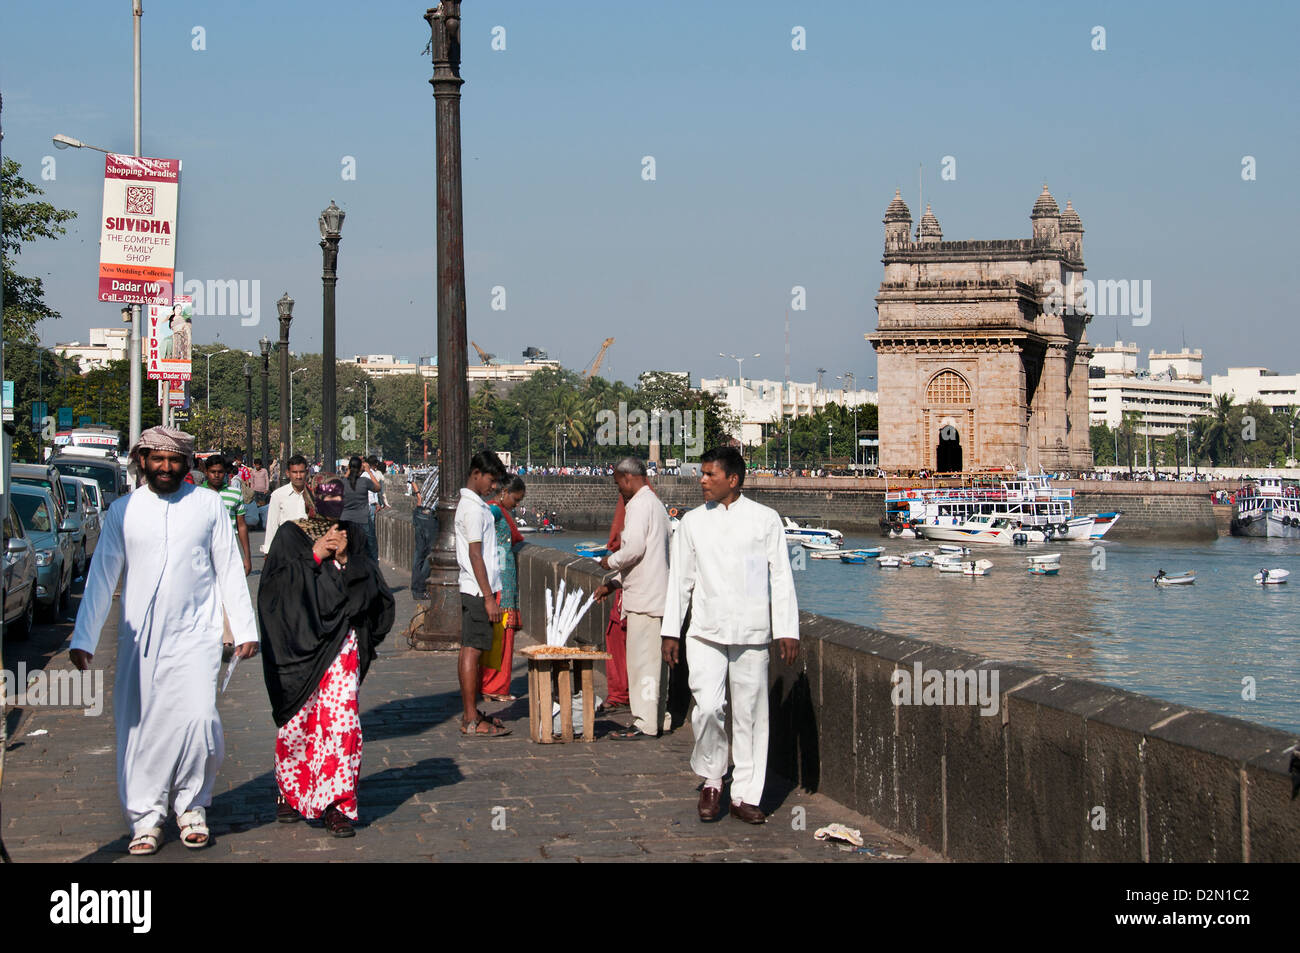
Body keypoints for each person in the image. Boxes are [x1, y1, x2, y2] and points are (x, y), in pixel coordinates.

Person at [69, 426, 259, 855]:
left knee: (199, 721)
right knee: (142, 731)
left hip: (196, 636)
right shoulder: (123, 511)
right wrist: (84, 637)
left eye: (174, 460)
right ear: (143, 461)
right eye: (158, 459)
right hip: (141, 641)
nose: (166, 467)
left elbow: (229, 566)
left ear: (186, 464)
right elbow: (101, 576)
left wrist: (245, 629)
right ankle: (146, 818)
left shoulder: (208, 506)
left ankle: (192, 807)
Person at [661, 447, 798, 825]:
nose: (702, 480)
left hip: (751, 630)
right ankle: (712, 778)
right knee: (707, 708)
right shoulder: (691, 522)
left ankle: (745, 794)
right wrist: (671, 630)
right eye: (702, 474)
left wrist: (787, 628)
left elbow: (780, 576)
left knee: (751, 715)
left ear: (733, 480)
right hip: (704, 631)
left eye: (710, 474)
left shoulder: (765, 520)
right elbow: (680, 581)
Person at [258, 477, 394, 837]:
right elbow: (274, 591)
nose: (332, 503)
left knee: (340, 723)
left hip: (342, 643)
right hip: (298, 646)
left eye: (338, 498)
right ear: (311, 500)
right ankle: (290, 790)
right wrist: (315, 556)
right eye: (325, 497)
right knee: (298, 722)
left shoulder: (355, 536)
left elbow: (373, 590)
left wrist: (346, 560)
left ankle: (337, 803)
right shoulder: (290, 536)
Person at [595, 458, 671, 739]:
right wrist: (614, 583)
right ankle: (658, 716)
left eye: (619, 484)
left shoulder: (639, 505)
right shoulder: (656, 505)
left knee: (642, 664)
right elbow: (650, 556)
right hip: (654, 594)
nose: (619, 490)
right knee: (655, 664)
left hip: (645, 599)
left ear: (628, 478)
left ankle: (645, 722)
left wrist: (609, 562)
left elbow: (635, 550)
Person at [455, 450, 510, 737]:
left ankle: (472, 713)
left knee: (471, 648)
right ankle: (470, 717)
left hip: (475, 588)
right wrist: (489, 597)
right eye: (491, 480)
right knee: (473, 650)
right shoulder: (474, 510)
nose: (493, 486)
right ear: (476, 474)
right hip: (478, 591)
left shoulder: (473, 505)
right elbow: (475, 554)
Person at [200, 454, 254, 662]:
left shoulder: (234, 493)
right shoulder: (197, 494)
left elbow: (241, 525)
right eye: (212, 472)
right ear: (206, 472)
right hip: (202, 552)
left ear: (226, 473)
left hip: (227, 551)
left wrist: (247, 556)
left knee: (227, 593)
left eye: (220, 472)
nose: (216, 476)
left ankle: (227, 639)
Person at [480, 475, 526, 702]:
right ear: (504, 493)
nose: (515, 505)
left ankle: (491, 684)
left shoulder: (498, 510)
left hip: (501, 582)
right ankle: (495, 686)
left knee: (498, 638)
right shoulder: (494, 510)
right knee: (500, 639)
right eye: (515, 500)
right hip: (501, 584)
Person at [262, 455, 313, 554]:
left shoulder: (313, 494)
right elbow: (272, 525)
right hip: (286, 549)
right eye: (295, 472)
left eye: (301, 472)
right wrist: (268, 551)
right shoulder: (278, 495)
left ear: (307, 472)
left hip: (309, 549)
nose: (298, 476)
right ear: (288, 473)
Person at [341, 456, 379, 560]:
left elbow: (342, 480)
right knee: (371, 548)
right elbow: (377, 487)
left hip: (346, 520)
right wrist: (369, 471)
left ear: (349, 467)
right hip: (362, 520)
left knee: (349, 549)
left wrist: (349, 470)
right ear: (360, 468)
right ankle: (373, 567)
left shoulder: (343, 483)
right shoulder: (364, 481)